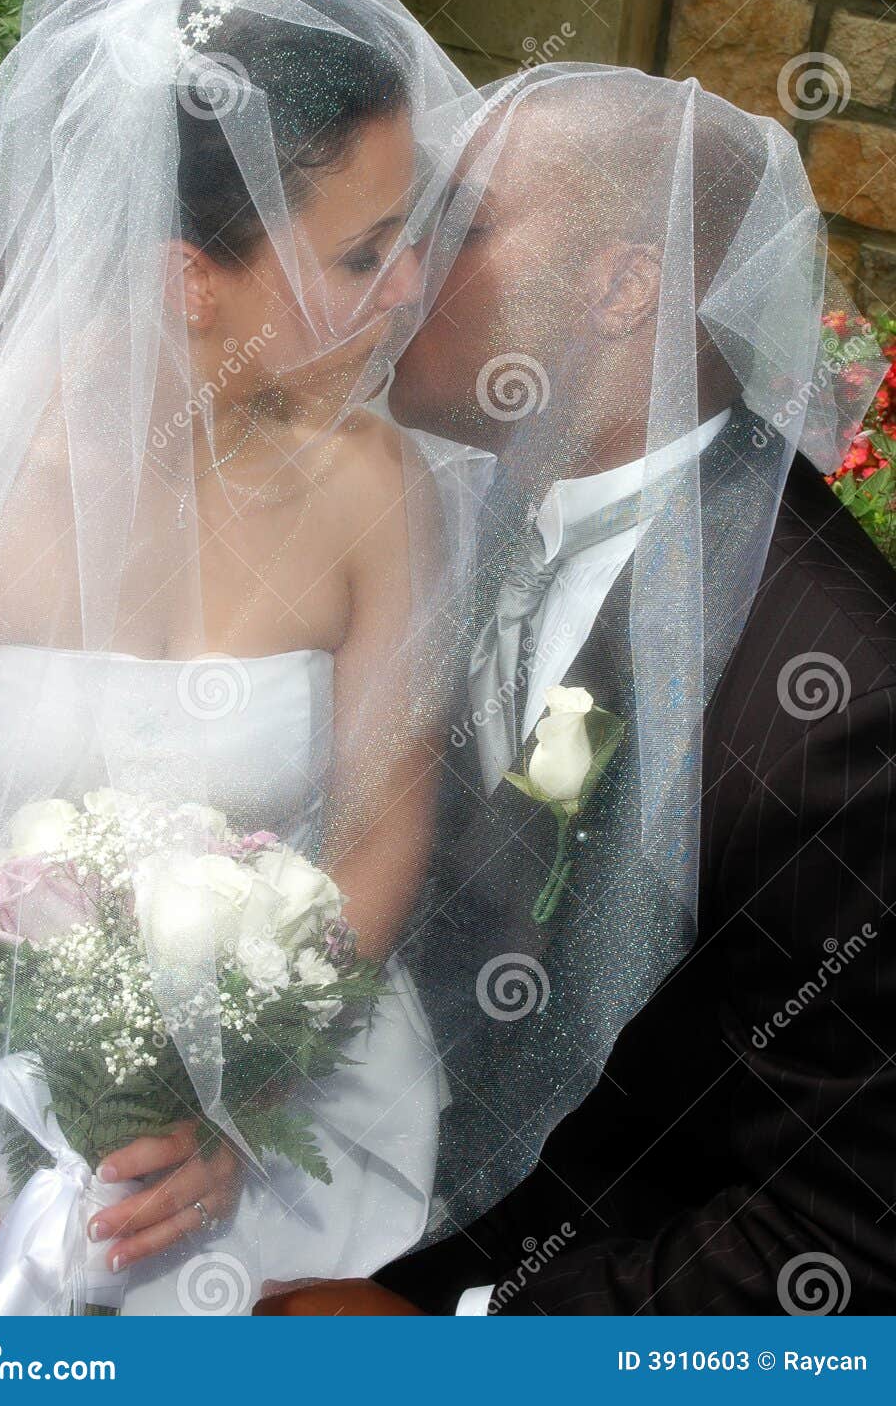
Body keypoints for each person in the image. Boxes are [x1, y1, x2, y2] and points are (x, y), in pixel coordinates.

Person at [0, 0, 482, 1316]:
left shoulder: (376, 490)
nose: (415, 283)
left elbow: (381, 831)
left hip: (286, 1071)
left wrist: (238, 1098)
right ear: (190, 278)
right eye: (367, 252)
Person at [255, 65, 896, 1318]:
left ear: (617, 287)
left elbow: (844, 1238)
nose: (393, 280)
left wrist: (458, 1341)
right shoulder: (481, 510)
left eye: (454, 229)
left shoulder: (836, 713)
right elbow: (512, 846)